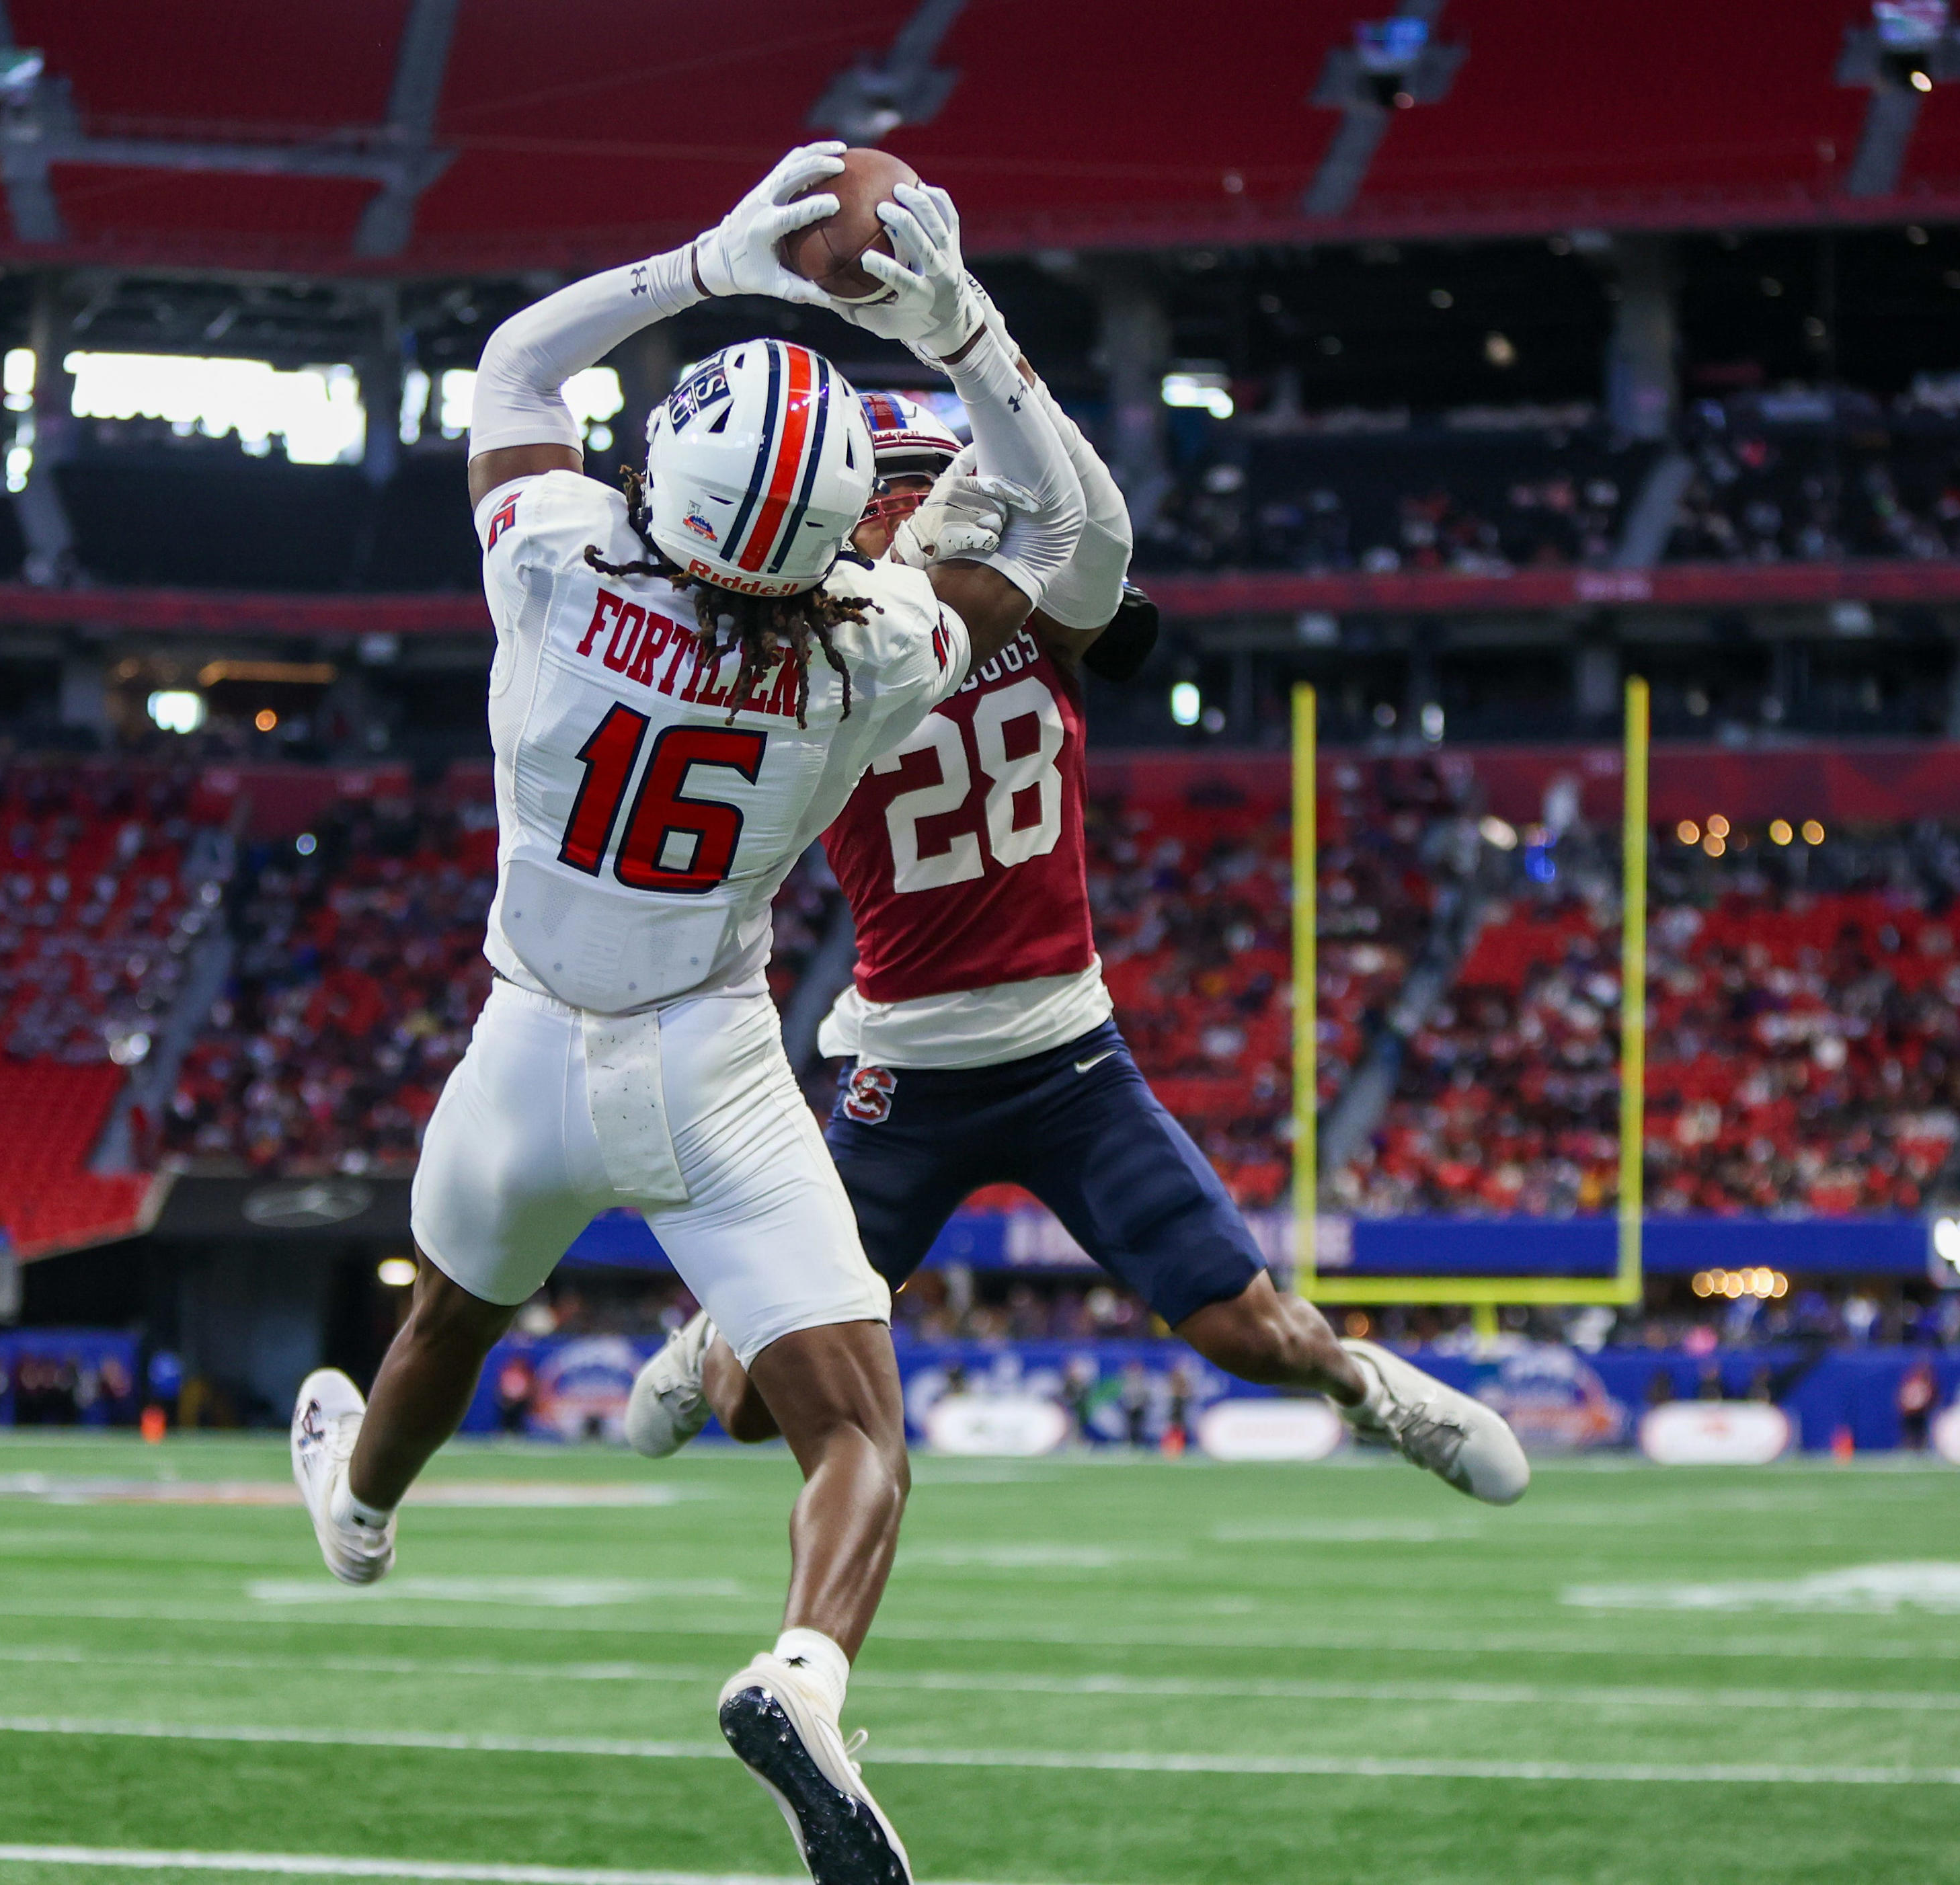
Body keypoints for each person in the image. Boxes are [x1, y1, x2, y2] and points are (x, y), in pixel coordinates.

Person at [288, 142, 1089, 1885]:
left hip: (520, 1043)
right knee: (854, 1429)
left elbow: (514, 364)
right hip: (708, 1061)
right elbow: (1048, 539)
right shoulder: (866, 649)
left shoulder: (558, 567)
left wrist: (713, 258)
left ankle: (357, 1513)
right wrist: (960, 335)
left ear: (665, 475)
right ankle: (799, 1667)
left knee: (443, 1319)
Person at [626, 372, 1530, 1507]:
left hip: (1066, 1056)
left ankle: (1366, 1389)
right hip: (903, 1074)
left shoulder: (1025, 608)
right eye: (882, 495)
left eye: (922, 489)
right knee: (753, 1404)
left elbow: (1097, 563)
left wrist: (979, 364)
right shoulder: (818, 659)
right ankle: (716, 1316)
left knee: (1248, 1332)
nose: (905, 515)